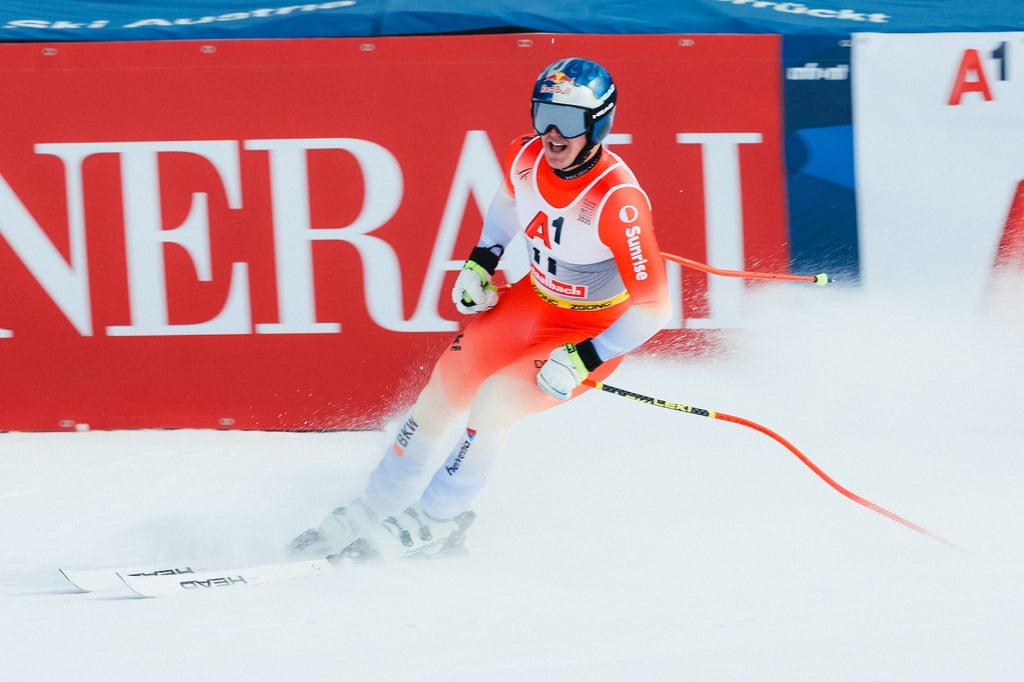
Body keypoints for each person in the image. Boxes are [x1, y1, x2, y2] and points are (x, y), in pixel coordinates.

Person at [289, 57, 672, 560]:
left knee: (494, 402)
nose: (553, 134)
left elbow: (656, 306)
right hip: (531, 301)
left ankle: (439, 521)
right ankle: (377, 504)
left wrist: (585, 356)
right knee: (441, 390)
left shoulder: (616, 202)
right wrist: (481, 262)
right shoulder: (524, 155)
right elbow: (506, 211)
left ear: (599, 123)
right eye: (543, 115)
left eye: (571, 122)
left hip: (588, 328)